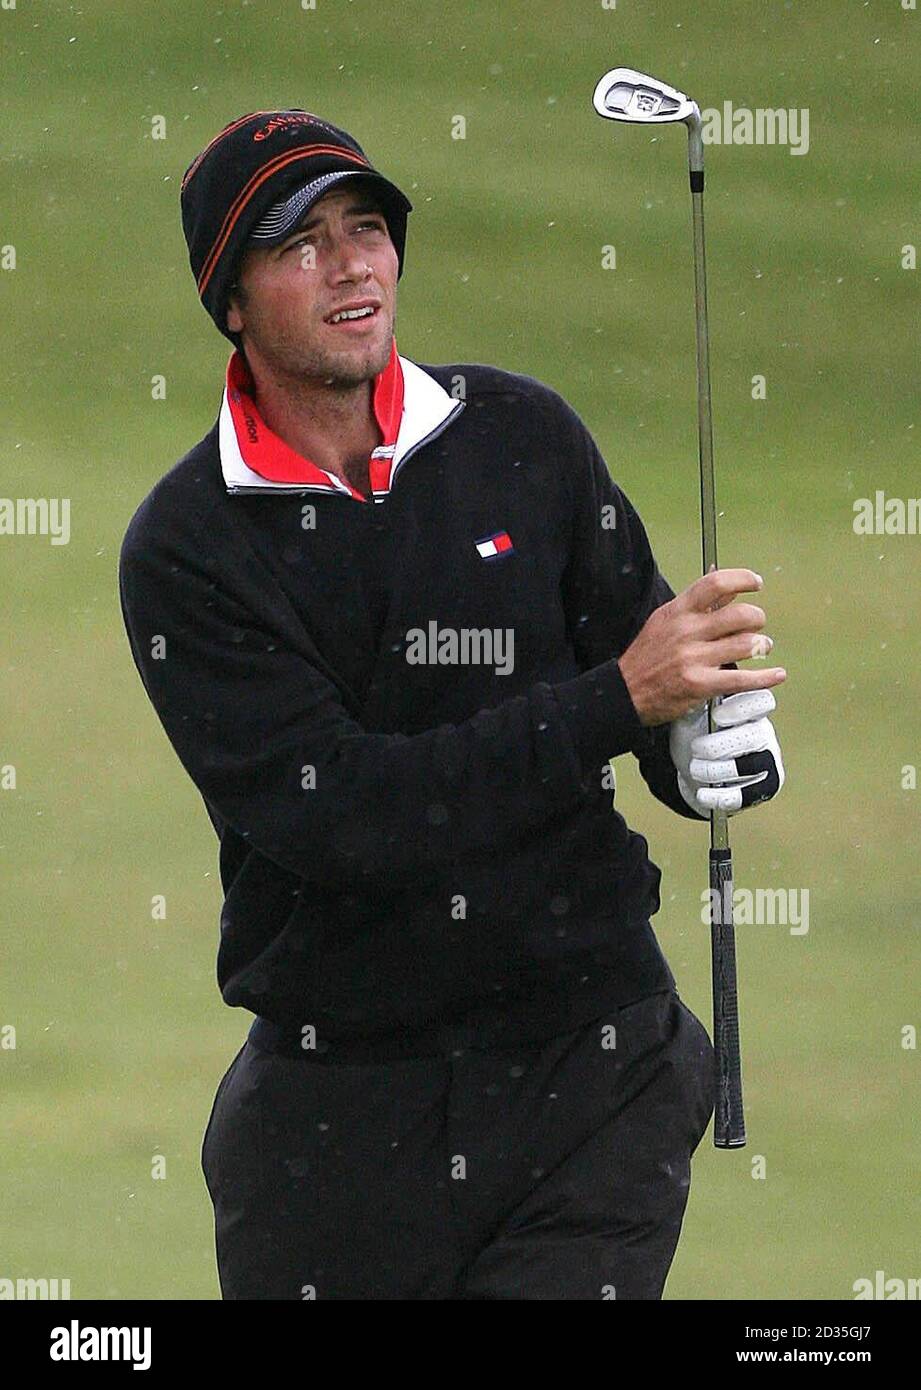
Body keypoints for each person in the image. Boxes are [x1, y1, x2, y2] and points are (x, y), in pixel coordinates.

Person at [118, 109, 786, 1300]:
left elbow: (650, 677)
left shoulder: (524, 436)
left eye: (366, 228)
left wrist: (701, 749)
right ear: (229, 299)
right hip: (339, 1108)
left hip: (597, 1063)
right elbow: (347, 814)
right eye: (299, 242)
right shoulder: (188, 547)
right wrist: (621, 698)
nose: (351, 264)